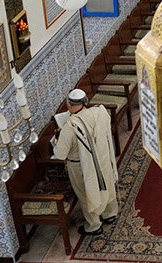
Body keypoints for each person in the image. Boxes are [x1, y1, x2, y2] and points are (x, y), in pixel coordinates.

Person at [52, 89, 119, 236]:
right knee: (106, 181)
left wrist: (58, 136)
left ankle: (94, 225)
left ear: (68, 105)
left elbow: (60, 154)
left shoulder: (70, 127)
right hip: (103, 157)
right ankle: (110, 213)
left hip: (80, 166)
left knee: (87, 193)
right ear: (86, 101)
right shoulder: (100, 113)